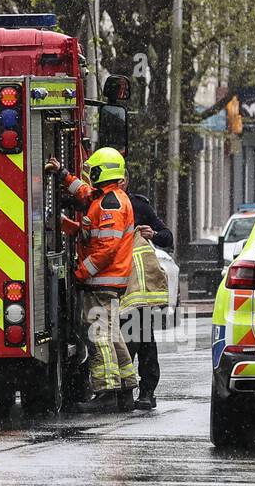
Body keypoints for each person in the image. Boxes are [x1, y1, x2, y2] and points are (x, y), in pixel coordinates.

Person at [45, 147, 140, 412]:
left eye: (92, 171)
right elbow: (85, 194)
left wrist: (80, 273)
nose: (89, 176)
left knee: (99, 336)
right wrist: (63, 174)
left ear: (101, 172)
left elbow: (106, 248)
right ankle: (126, 389)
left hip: (102, 282)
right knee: (112, 334)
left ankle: (107, 390)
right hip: (108, 283)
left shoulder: (111, 204)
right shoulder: (107, 198)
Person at [122, 192, 172, 410]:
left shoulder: (137, 206)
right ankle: (135, 391)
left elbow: (167, 237)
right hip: (113, 285)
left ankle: (142, 391)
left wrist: (153, 234)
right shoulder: (99, 203)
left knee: (136, 338)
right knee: (133, 339)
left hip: (133, 289)